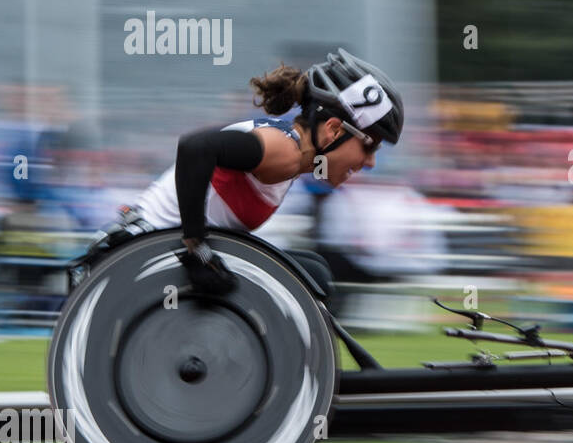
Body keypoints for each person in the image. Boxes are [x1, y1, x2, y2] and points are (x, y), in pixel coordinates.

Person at [96, 49, 403, 296]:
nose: (371, 162)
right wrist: (197, 249)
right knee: (313, 275)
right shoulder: (284, 150)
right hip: (139, 254)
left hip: (152, 249)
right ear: (334, 130)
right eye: (370, 146)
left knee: (314, 270)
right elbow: (194, 146)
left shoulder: (297, 157)